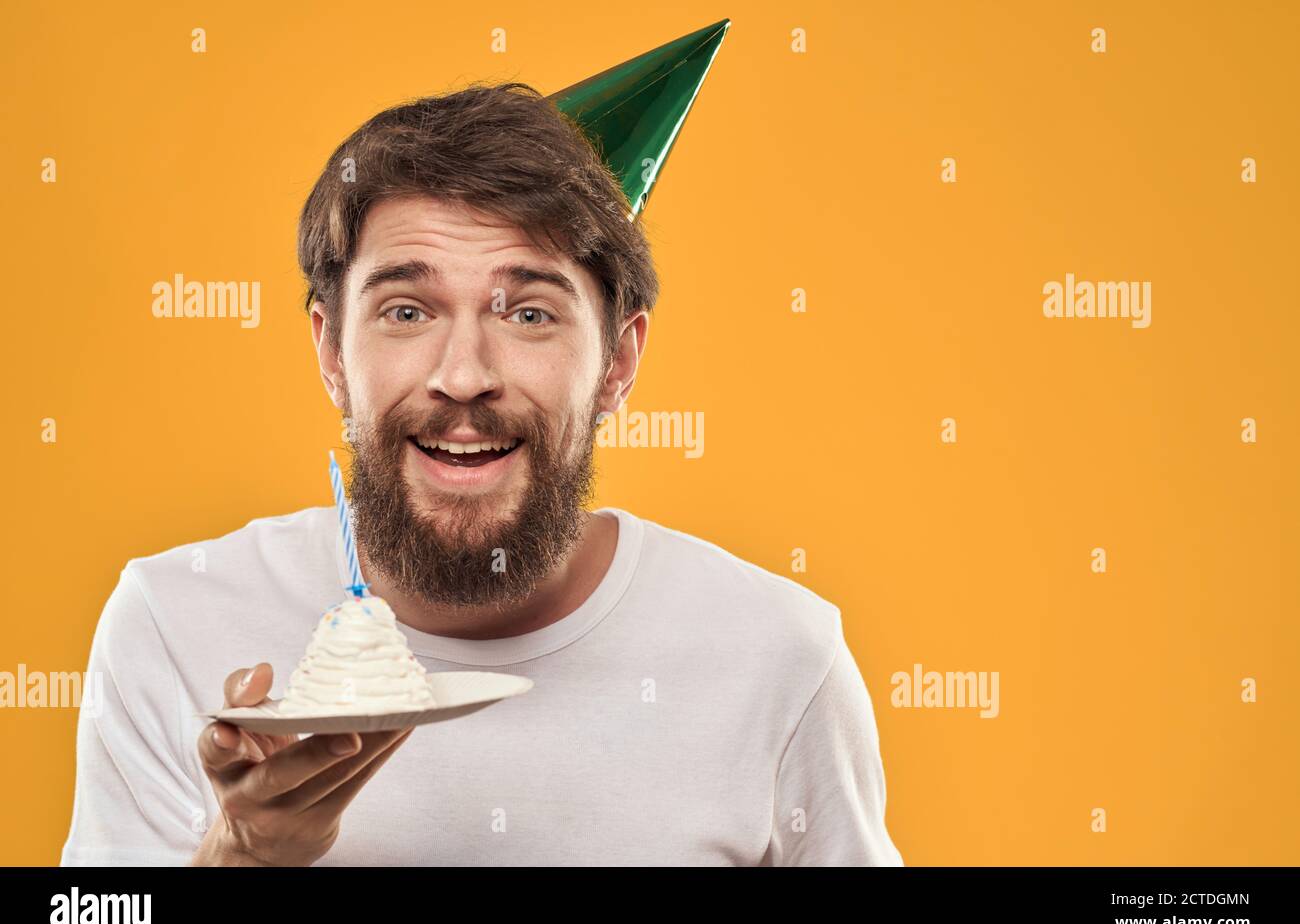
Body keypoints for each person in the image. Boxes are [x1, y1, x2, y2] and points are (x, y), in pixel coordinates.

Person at [59, 31, 904, 867]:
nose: (463, 376)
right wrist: (239, 858)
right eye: (406, 311)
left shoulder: (779, 657)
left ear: (617, 361)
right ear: (331, 353)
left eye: (529, 312)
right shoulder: (172, 621)